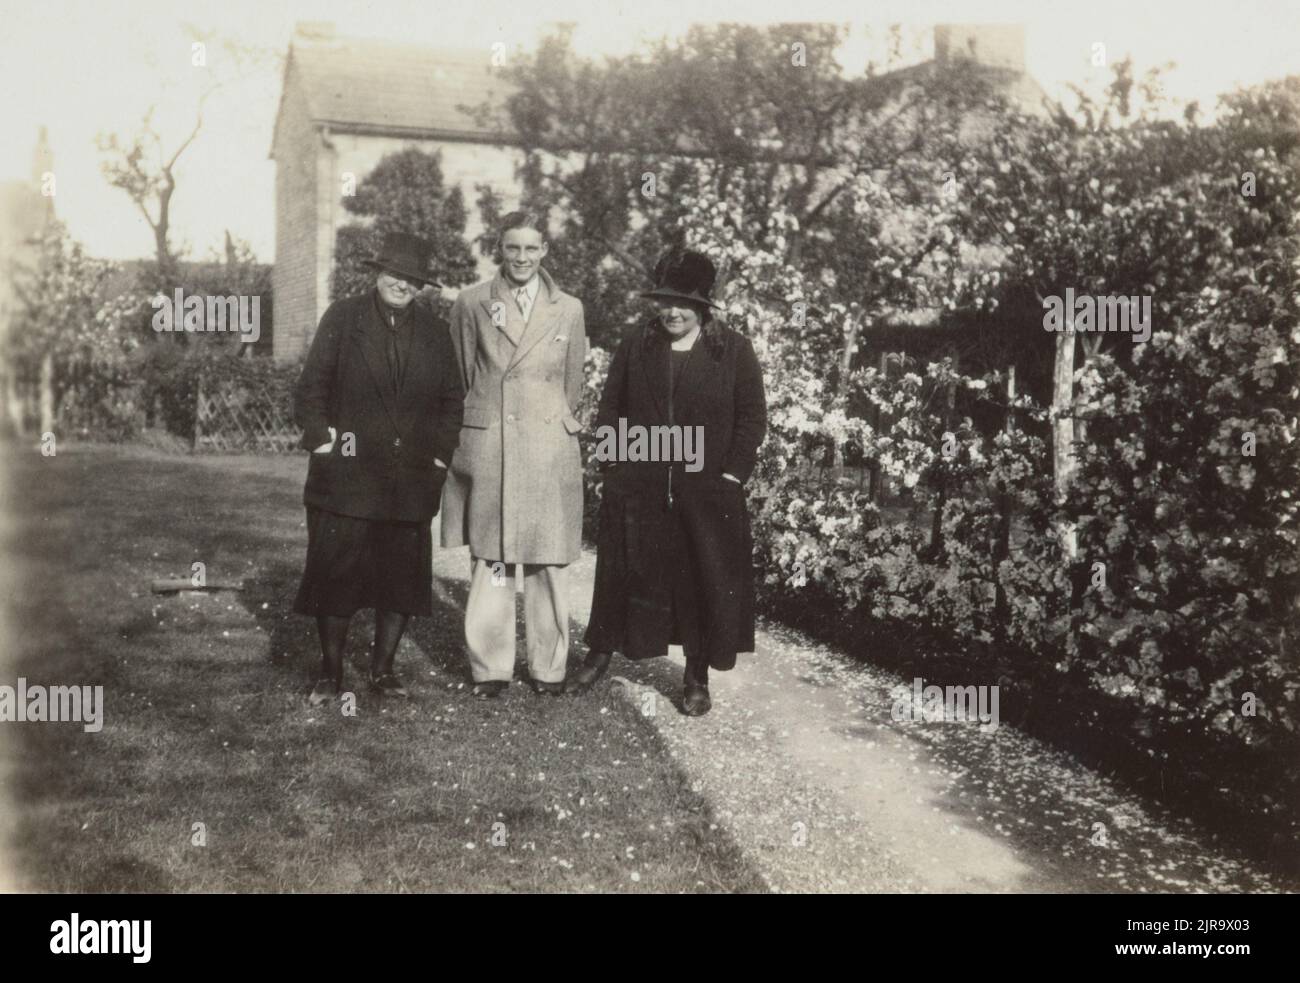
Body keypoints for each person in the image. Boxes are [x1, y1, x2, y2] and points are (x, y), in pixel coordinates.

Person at [573, 249, 767, 715]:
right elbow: (610, 409)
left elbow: (752, 417)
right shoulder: (637, 344)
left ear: (703, 307)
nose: (672, 311)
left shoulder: (734, 350)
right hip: (640, 486)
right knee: (624, 572)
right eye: (664, 300)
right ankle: (600, 654)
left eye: (684, 302)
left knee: (699, 580)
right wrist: (615, 467)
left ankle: (696, 675)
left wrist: (731, 474)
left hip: (707, 491)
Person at [292, 233, 464, 706]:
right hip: (346, 475)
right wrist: (323, 441)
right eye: (394, 274)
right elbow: (311, 390)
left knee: (400, 578)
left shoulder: (434, 332)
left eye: (412, 279)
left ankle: (384, 670)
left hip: (409, 477)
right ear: (377, 273)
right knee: (337, 574)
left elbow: (453, 399)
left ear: (421, 285)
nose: (401, 285)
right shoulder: (344, 319)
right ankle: (330, 673)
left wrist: (438, 455)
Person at [440, 211, 587, 697]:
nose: (522, 258)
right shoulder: (472, 302)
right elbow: (464, 375)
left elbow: (572, 384)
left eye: (531, 248)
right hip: (493, 443)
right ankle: (491, 668)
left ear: (545, 250)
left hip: (548, 445)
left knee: (548, 561)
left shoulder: (568, 308)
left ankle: (549, 667)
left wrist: (548, 417)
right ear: (498, 250)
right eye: (512, 248)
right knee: (495, 556)